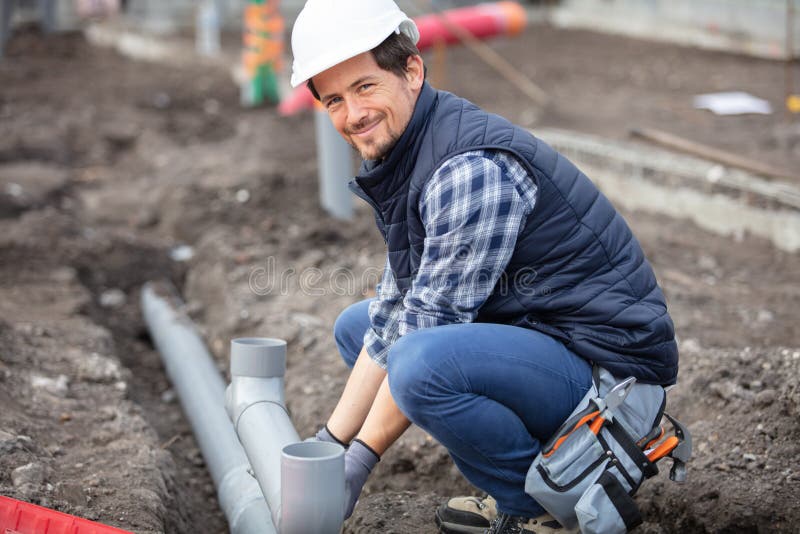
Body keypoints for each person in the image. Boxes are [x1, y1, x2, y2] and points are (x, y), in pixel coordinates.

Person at [289, 1, 679, 532]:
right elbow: (396, 309)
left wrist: (359, 461)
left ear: (411, 71)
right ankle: (528, 480)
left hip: (608, 379)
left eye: (364, 87)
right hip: (547, 339)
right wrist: (328, 445)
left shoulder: (465, 170)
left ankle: (539, 506)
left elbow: (429, 326)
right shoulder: (409, 151)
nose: (352, 114)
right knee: (359, 330)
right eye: (333, 100)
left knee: (419, 366)